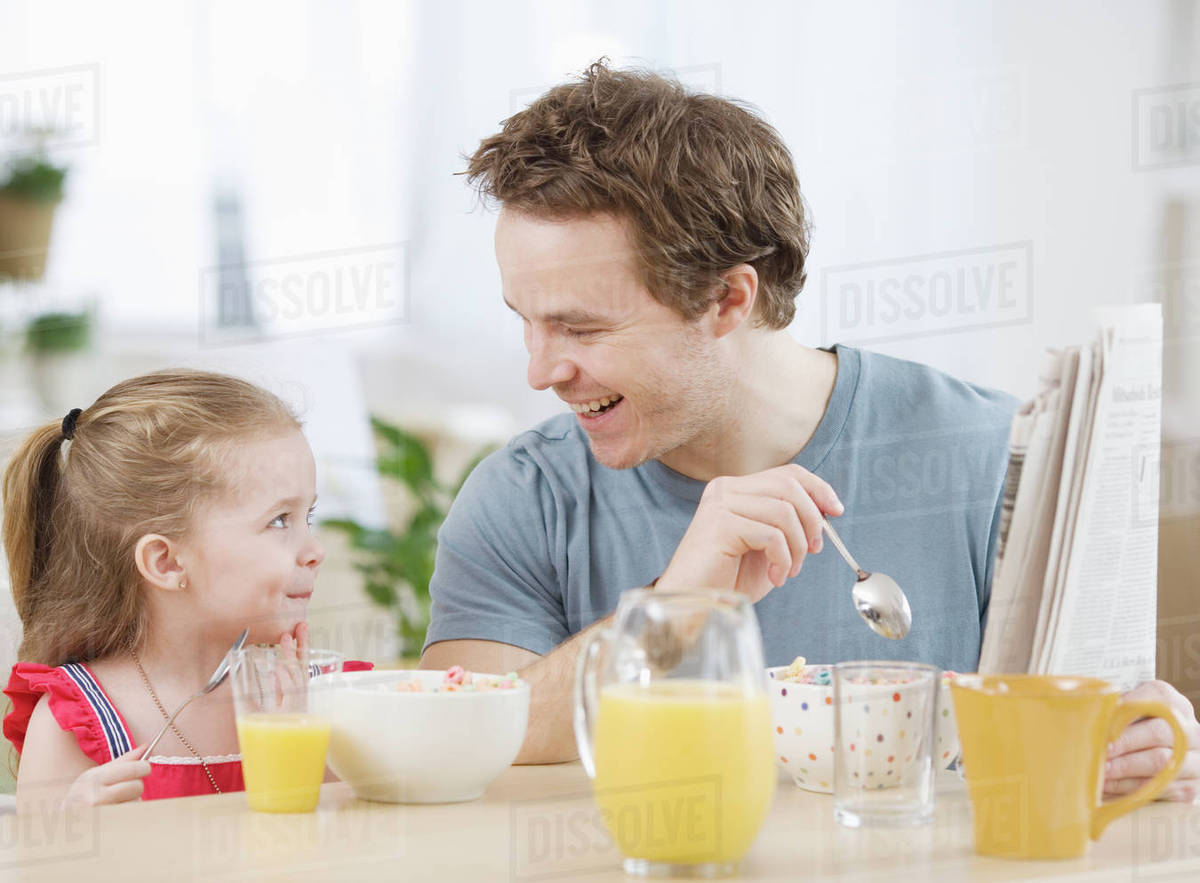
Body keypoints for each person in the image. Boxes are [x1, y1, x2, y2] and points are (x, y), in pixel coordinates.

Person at [419, 61, 1200, 798]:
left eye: (582, 328)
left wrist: (1143, 748)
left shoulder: (997, 459)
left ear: (728, 299)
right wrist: (676, 605)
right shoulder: (522, 498)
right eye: (525, 321)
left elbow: (1081, 752)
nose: (541, 371)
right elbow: (456, 740)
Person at [2, 370, 369, 810]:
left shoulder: (329, 700)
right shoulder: (73, 723)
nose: (315, 552)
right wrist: (76, 828)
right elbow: (40, 854)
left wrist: (301, 740)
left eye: (307, 515)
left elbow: (359, 836)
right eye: (278, 521)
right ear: (167, 562)